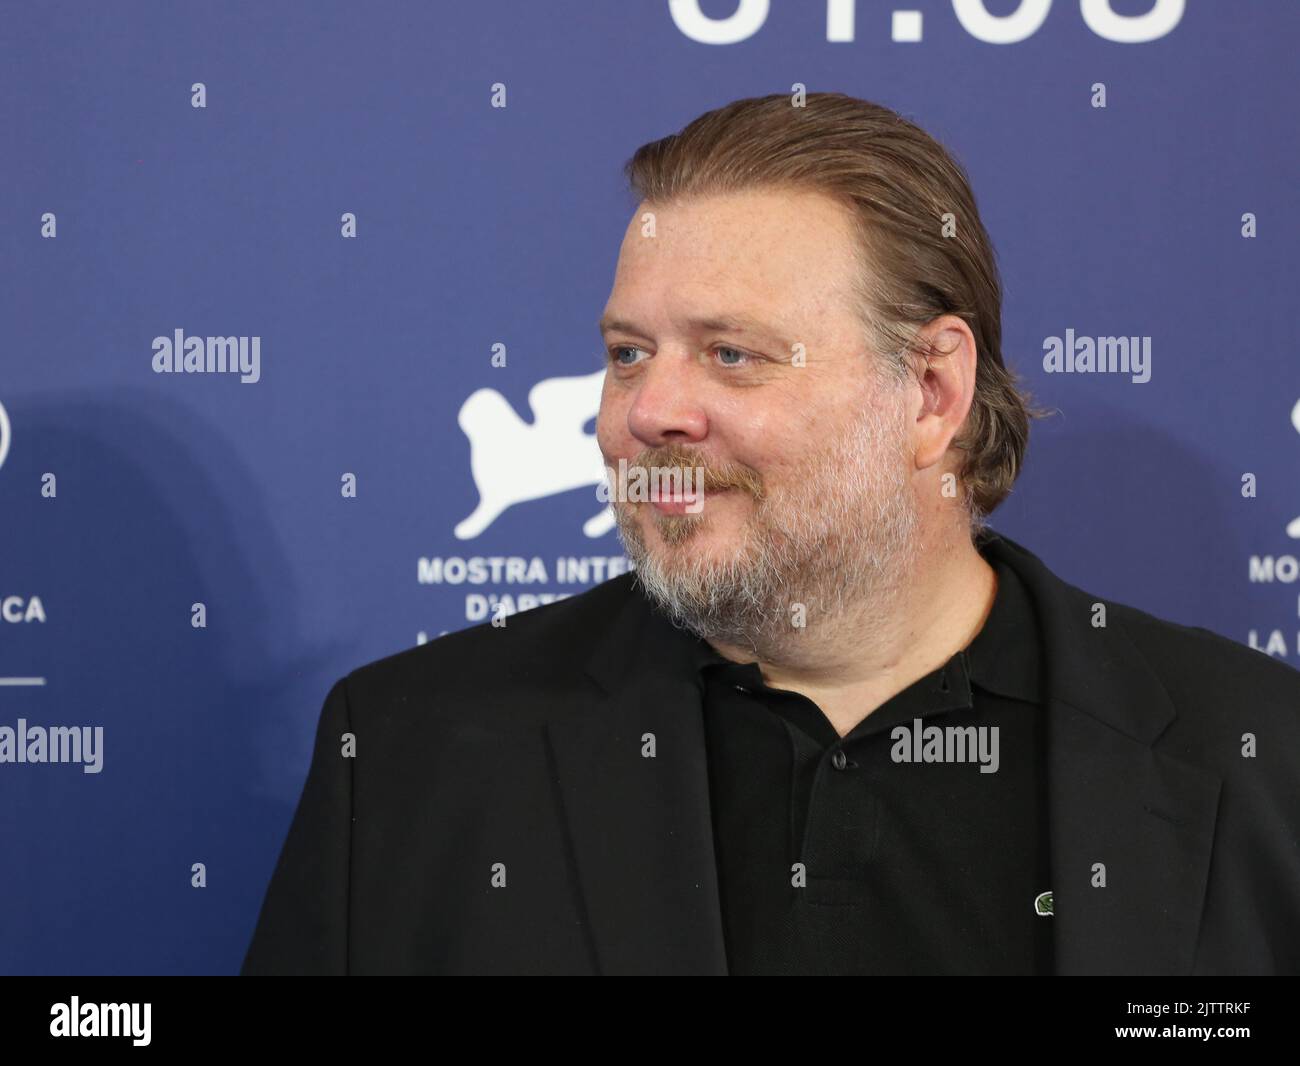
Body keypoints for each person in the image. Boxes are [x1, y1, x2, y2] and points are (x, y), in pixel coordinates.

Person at [241, 92, 1300, 975]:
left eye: (730, 354)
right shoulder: (411, 751)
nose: (646, 411)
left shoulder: (1256, 758)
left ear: (930, 392)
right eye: (625, 352)